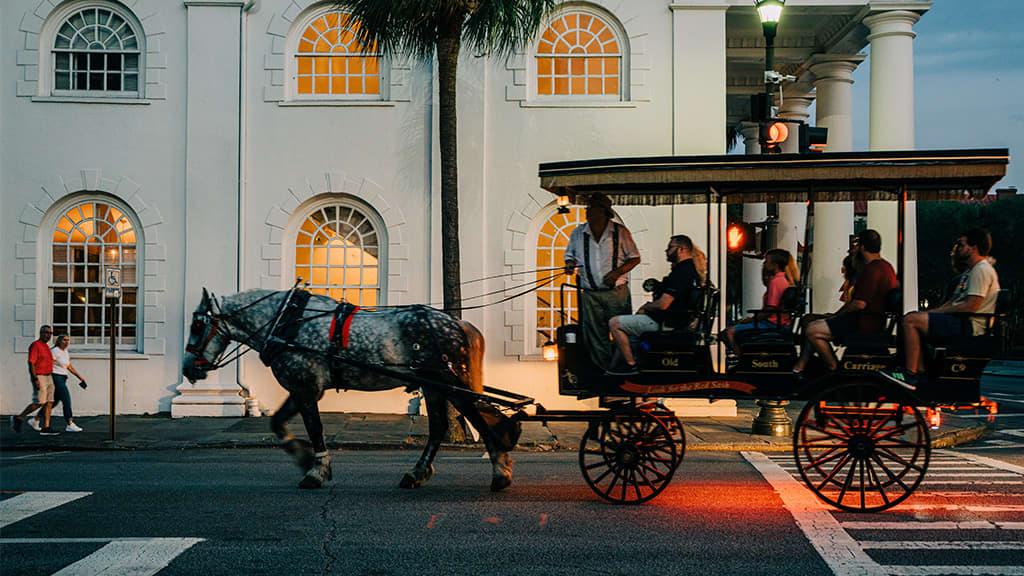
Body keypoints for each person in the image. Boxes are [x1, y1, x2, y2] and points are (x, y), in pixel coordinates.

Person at [882, 228, 1000, 390]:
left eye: (961, 244)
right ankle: (920, 372)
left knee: (910, 321)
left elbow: (971, 306)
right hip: (961, 322)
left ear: (973, 247)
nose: (958, 248)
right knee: (913, 318)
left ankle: (910, 374)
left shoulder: (981, 270)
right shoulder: (971, 271)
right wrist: (930, 313)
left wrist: (934, 314)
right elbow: (953, 302)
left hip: (970, 326)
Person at [793, 229, 898, 375]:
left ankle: (832, 367)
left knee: (812, 329)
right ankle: (802, 366)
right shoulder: (886, 267)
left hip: (862, 323)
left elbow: (859, 304)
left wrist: (836, 316)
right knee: (812, 324)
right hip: (871, 320)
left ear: (862, 247)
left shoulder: (872, 270)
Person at [563, 193, 641, 369]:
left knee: (622, 331)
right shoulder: (577, 233)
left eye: (592, 208)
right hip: (590, 294)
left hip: (616, 293)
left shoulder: (620, 232)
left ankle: (623, 367)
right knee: (595, 336)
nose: (587, 211)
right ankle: (603, 370)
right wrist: (569, 265)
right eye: (588, 208)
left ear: (603, 212)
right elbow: (570, 256)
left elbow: (635, 258)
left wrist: (616, 273)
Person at [607, 235, 702, 375]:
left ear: (681, 249)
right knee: (628, 332)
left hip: (667, 322)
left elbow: (663, 304)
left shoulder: (681, 272)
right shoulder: (691, 270)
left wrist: (645, 307)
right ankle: (613, 369)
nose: (666, 250)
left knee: (615, 323)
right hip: (676, 320)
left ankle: (631, 365)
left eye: (670, 247)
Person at [720, 248, 797, 355]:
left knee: (728, 333)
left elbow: (770, 309)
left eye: (767, 261)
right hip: (781, 322)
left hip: (771, 323)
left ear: (774, 265)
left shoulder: (776, 281)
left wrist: (750, 320)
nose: (764, 264)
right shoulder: (785, 279)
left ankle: (743, 359)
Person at [28, 333, 87, 433]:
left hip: (63, 378)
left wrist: (80, 378)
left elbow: (69, 366)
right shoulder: (54, 351)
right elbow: (48, 365)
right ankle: (70, 423)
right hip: (56, 378)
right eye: (64, 340)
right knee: (66, 399)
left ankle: (36, 419)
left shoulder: (65, 352)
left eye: (68, 340)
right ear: (59, 341)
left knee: (53, 402)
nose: (66, 342)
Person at [11, 325, 59, 435]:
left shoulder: (46, 346)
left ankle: (46, 427)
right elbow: (31, 363)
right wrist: (35, 378)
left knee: (49, 402)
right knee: (40, 402)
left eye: (50, 333)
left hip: (49, 376)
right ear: (41, 333)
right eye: (46, 332)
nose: (48, 335)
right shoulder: (35, 345)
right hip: (40, 376)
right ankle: (19, 417)